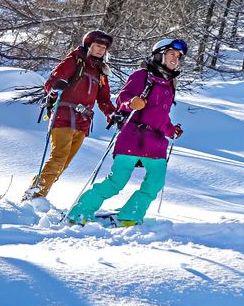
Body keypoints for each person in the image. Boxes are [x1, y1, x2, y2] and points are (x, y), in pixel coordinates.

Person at [67, 38, 186, 226]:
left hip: (155, 143)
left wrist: (171, 130)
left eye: (178, 57)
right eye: (172, 54)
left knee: (155, 183)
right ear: (159, 55)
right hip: (133, 137)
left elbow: (161, 116)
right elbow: (123, 97)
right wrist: (131, 103)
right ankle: (80, 212)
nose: (176, 59)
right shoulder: (142, 76)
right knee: (117, 182)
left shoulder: (170, 85)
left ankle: (130, 215)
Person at [24, 30, 117, 201]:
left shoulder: (101, 72)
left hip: (83, 123)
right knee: (58, 158)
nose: (100, 51)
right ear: (88, 45)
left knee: (63, 164)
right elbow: (52, 82)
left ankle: (36, 193)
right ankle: (35, 196)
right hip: (63, 116)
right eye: (97, 46)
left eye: (103, 48)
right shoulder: (75, 60)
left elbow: (103, 99)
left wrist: (112, 114)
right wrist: (54, 88)